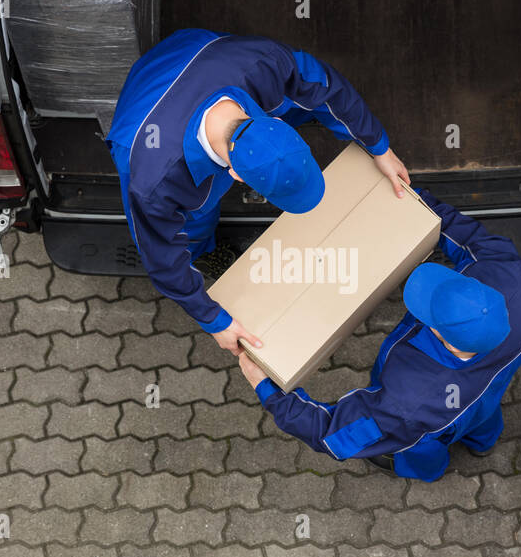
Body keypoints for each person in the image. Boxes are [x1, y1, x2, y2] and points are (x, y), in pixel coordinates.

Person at [106, 28, 409, 354]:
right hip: (139, 113)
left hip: (190, 50)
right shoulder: (154, 181)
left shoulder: (264, 62)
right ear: (236, 175)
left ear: (276, 122)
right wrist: (213, 320)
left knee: (307, 96)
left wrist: (378, 146)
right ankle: (204, 251)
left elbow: (324, 85)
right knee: (195, 219)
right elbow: (162, 257)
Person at [237, 191, 521, 482]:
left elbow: (330, 433)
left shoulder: (407, 401)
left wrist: (267, 388)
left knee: (422, 448)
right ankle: (484, 442)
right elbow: (458, 229)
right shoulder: (515, 280)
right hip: (490, 381)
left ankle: (431, 471)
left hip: (432, 422)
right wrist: (411, 196)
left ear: (443, 337)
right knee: (484, 407)